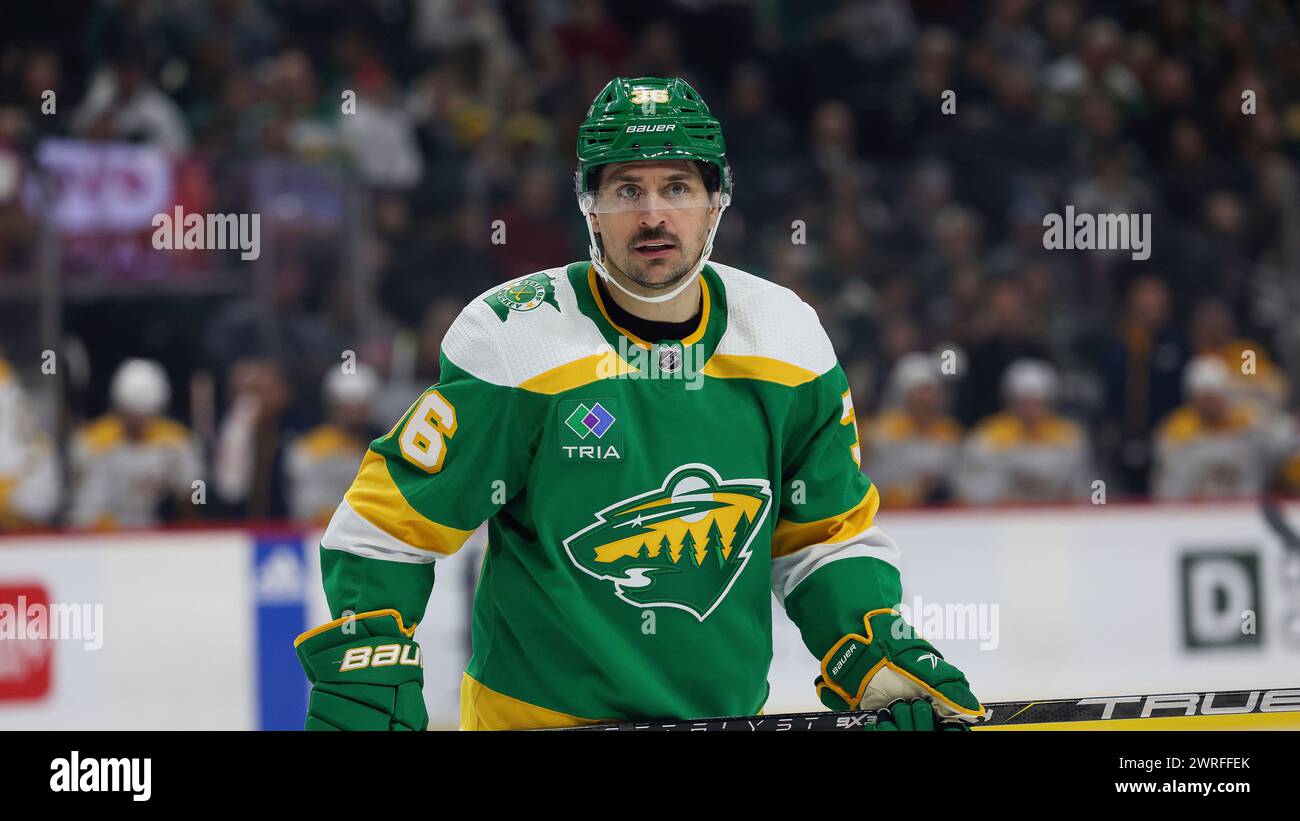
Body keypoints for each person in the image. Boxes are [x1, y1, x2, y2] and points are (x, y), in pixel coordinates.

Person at [294, 77, 983, 731]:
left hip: (725, 719)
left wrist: (873, 644)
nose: (652, 215)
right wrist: (368, 654)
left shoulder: (787, 337)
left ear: (717, 200)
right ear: (588, 204)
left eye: (676, 187)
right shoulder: (514, 336)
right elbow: (386, 527)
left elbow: (823, 538)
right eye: (627, 189)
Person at [69, 359, 203, 528]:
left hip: (155, 533)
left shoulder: (177, 442)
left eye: (145, 415)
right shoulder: (92, 442)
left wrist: (184, 488)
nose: (137, 423)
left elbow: (192, 503)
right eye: (130, 414)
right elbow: (84, 507)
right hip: (105, 533)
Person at [955, 359, 1091, 504]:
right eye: (1024, 403)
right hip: (1002, 518)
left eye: (1037, 403)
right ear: (1011, 401)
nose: (1030, 411)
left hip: (1056, 517)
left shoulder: (1069, 435)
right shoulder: (987, 436)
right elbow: (971, 485)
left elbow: (1082, 484)